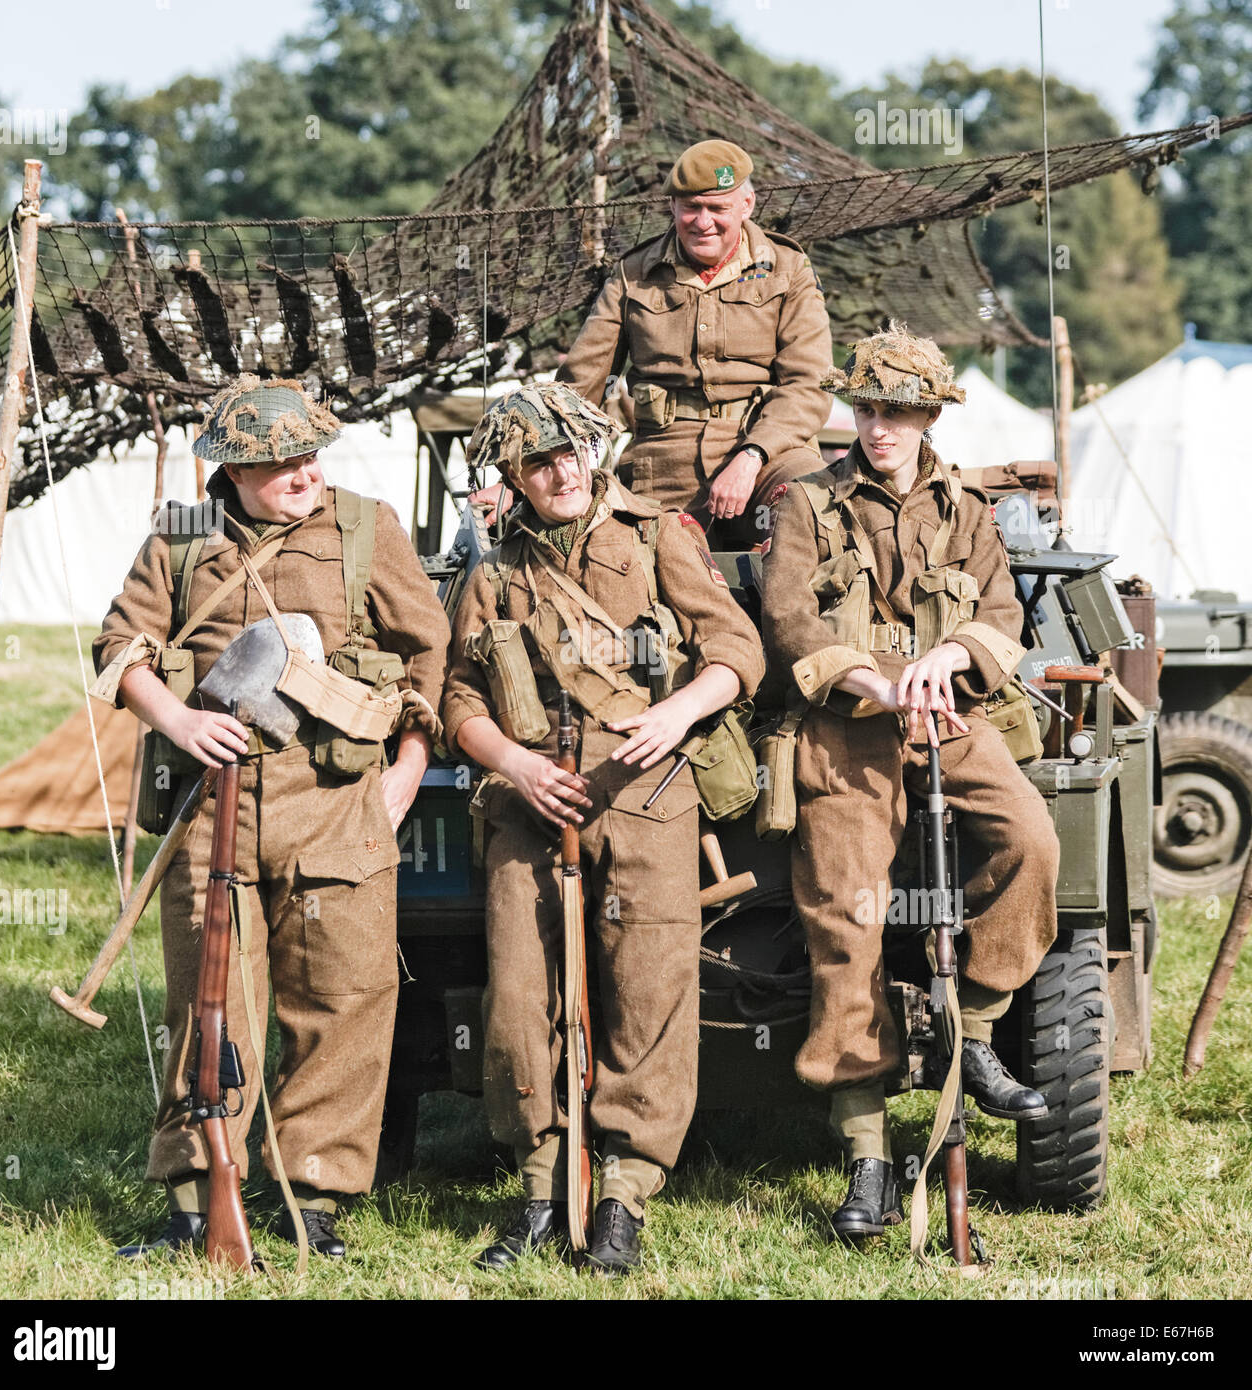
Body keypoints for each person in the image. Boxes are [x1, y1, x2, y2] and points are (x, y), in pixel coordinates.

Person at [93, 376, 450, 1260]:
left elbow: (427, 650)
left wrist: (408, 769)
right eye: (276, 460)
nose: (300, 472)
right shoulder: (182, 536)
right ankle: (193, 1200)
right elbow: (120, 646)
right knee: (208, 1007)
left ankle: (312, 1200)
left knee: (345, 997)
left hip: (336, 800)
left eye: (308, 453)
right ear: (233, 468)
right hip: (214, 802)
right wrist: (177, 720)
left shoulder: (365, 525)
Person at [442, 382, 763, 1272]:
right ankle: (541, 1185)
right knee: (516, 998)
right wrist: (513, 764)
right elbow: (458, 697)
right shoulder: (495, 571)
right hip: (532, 804)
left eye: (572, 451)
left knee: (649, 993)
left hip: (651, 795)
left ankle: (624, 1191)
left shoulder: (660, 537)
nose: (562, 471)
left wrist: (681, 714)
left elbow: (737, 649)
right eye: (539, 462)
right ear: (513, 475)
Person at [760, 325, 1060, 1242]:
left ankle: (969, 1025)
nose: (878, 427)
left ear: (930, 416)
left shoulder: (966, 505)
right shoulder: (807, 502)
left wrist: (950, 659)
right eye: (866, 409)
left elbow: (1003, 612)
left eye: (897, 411)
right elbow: (787, 619)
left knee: (1032, 843)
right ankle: (868, 1158)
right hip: (848, 731)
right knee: (847, 920)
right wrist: (877, 679)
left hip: (950, 720)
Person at [473, 141, 832, 548]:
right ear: (673, 208)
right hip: (661, 458)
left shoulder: (788, 270)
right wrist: (515, 482)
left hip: (771, 453)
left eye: (718, 209)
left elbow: (809, 385)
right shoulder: (633, 274)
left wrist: (752, 457)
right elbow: (576, 389)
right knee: (628, 551)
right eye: (691, 207)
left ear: (747, 204)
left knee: (811, 505)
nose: (703, 222)